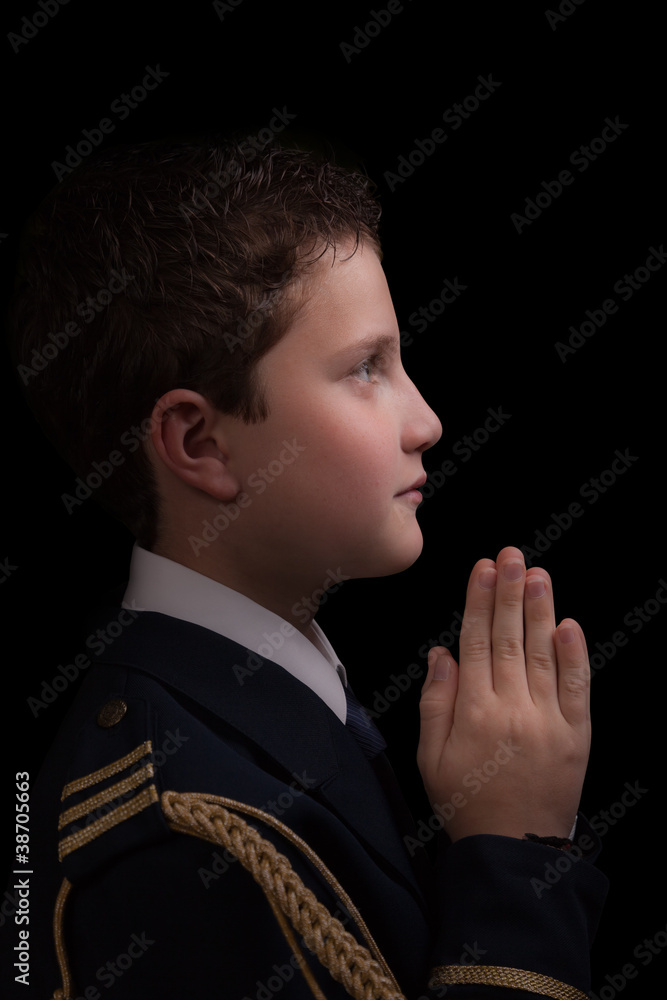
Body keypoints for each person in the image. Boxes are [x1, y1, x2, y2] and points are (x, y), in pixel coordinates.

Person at [4, 136, 607, 999]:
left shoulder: (249, 706)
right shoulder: (182, 838)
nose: (427, 420)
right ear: (200, 443)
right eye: (365, 368)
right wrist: (513, 851)